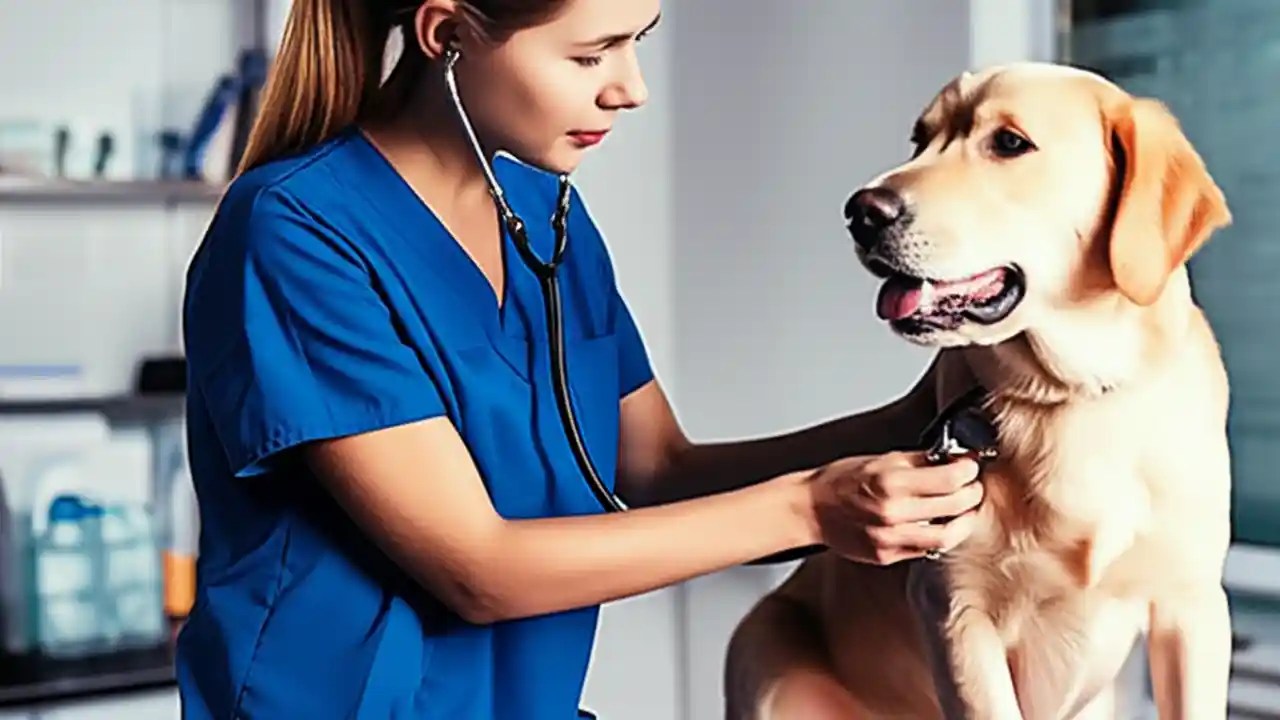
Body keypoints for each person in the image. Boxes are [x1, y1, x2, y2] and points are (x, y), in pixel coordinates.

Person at [175, 0, 985, 718]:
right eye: (590, 54)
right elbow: (477, 569)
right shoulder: (296, 231)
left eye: (638, 42)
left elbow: (657, 469)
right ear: (447, 33)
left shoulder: (547, 218)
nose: (629, 87)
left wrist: (920, 420)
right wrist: (811, 507)